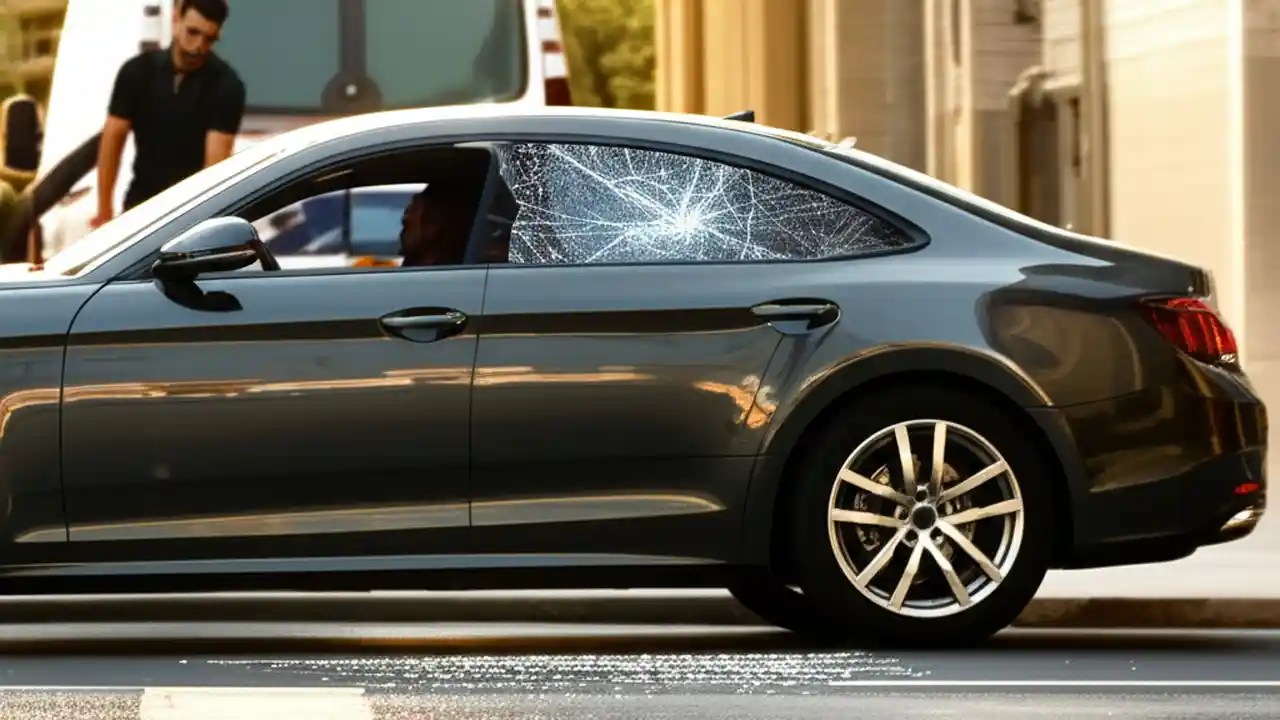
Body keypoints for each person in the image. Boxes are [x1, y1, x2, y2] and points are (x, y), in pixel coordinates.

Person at [92, 0, 245, 228]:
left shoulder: (226, 86)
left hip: (189, 216)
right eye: (192, 32)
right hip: (139, 207)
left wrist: (204, 226)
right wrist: (104, 212)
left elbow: (214, 169)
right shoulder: (137, 72)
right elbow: (113, 137)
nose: (198, 46)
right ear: (176, 19)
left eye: (209, 38)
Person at [399, 185, 475, 267]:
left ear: (432, 225)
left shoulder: (451, 273)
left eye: (407, 225)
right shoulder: (411, 268)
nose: (404, 217)